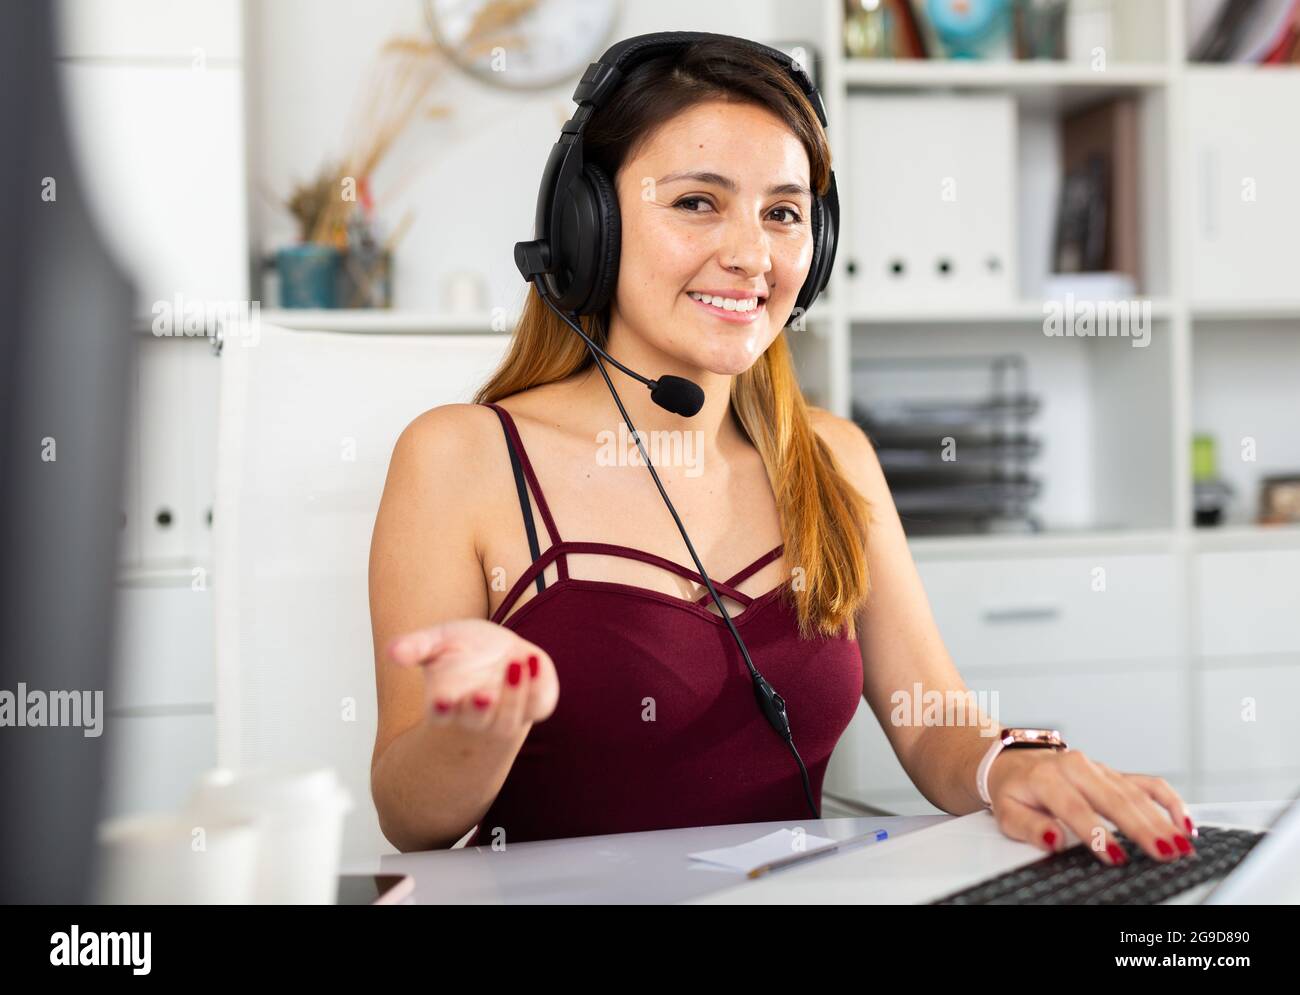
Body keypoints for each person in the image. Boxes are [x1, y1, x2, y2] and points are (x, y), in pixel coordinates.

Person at [367, 36, 1197, 865]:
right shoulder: (462, 457)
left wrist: (1012, 764)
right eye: (697, 201)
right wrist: (473, 728)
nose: (752, 255)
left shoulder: (834, 456)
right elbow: (410, 818)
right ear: (591, 226)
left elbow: (934, 723)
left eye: (784, 212)